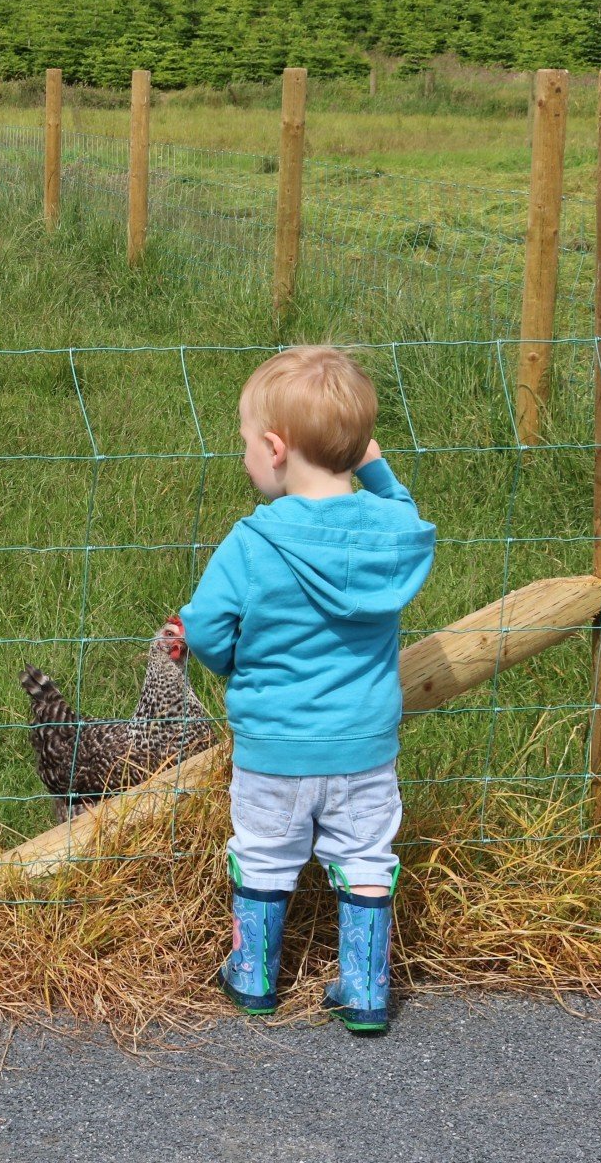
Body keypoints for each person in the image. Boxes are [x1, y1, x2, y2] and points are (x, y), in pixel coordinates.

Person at [176, 346, 435, 1035]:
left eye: (244, 443)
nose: (244, 458)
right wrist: (372, 465)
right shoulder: (389, 535)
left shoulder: (253, 542)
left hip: (274, 745)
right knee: (366, 859)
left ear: (274, 447)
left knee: (264, 853)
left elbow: (203, 629)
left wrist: (238, 666)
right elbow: (406, 512)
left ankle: (254, 974)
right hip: (365, 746)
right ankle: (366, 987)